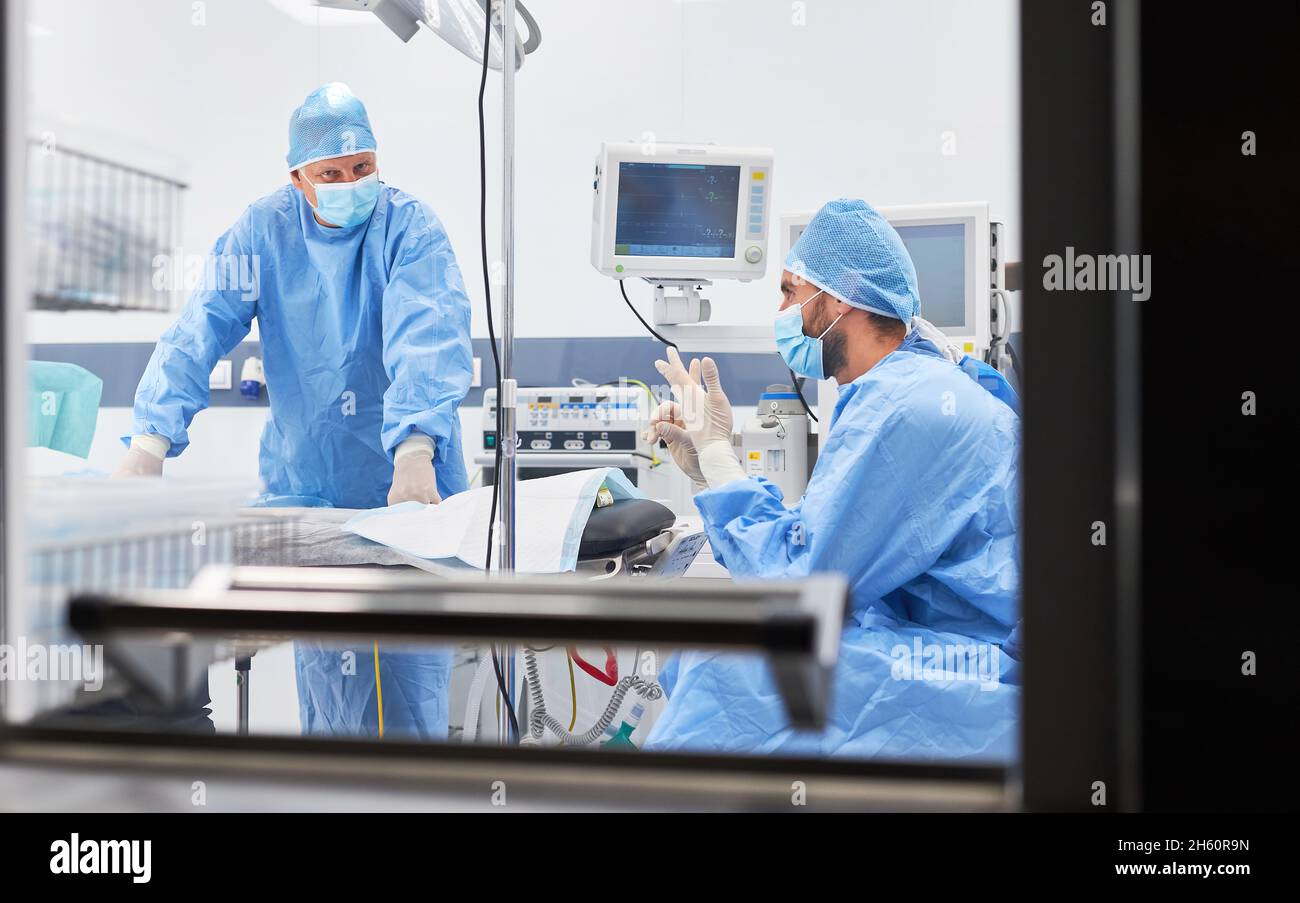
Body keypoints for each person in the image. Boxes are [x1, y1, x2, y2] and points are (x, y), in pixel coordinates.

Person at [115, 83, 471, 739]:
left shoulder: (410, 229)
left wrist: (416, 446)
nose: (351, 182)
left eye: (362, 166)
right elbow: (199, 330)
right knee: (333, 695)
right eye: (331, 173)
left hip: (408, 496)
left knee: (406, 701)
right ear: (298, 178)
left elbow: (430, 335)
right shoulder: (263, 230)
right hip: (309, 494)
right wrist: (148, 444)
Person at [642, 198, 1021, 760]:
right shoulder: (899, 388)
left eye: (790, 291)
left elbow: (803, 583)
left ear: (837, 299)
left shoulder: (906, 405)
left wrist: (721, 458)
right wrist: (705, 470)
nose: (783, 309)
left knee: (725, 663)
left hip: (980, 667)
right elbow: (818, 540)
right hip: (940, 634)